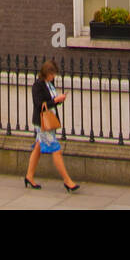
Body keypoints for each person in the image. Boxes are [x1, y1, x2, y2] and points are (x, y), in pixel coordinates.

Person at [25, 59, 80, 192]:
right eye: (52, 74)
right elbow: (39, 105)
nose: (53, 76)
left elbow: (51, 102)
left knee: (38, 146)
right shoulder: (37, 85)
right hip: (42, 122)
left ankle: (29, 176)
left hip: (50, 120)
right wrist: (55, 100)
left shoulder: (50, 84)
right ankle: (67, 181)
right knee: (56, 149)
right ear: (46, 72)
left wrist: (59, 100)